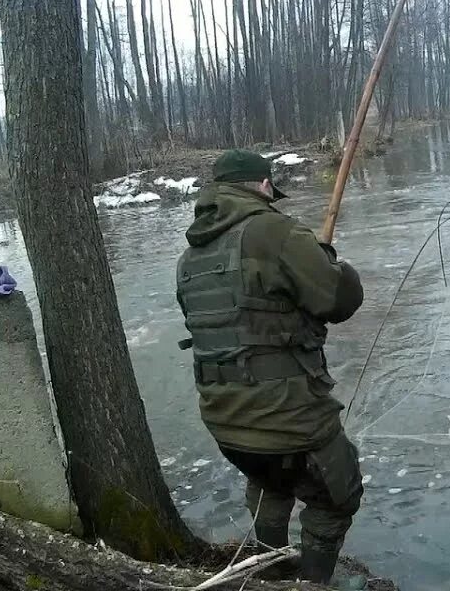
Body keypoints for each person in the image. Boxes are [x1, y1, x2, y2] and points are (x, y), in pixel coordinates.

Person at [175, 149, 365, 585]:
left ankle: (270, 575)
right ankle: (311, 584)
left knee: (271, 480)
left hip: (225, 423)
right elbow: (339, 299)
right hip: (288, 418)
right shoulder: (275, 232)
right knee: (338, 495)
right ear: (263, 186)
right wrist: (332, 262)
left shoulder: (189, 258)